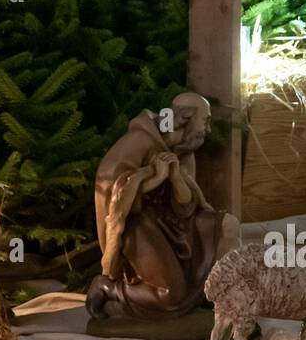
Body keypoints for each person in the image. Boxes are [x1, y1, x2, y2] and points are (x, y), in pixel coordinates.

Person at [87, 92, 235, 320]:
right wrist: (154, 179)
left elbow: (186, 207)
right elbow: (108, 185)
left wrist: (175, 179)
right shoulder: (140, 140)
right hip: (136, 225)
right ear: (186, 118)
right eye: (205, 121)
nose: (208, 129)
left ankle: (217, 295)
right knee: (170, 296)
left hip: (172, 225)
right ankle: (109, 290)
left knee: (226, 226)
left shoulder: (185, 151)